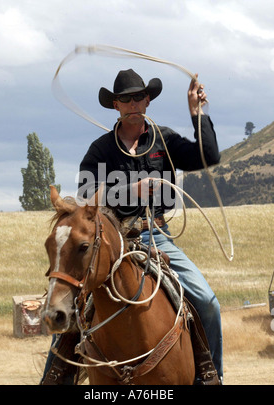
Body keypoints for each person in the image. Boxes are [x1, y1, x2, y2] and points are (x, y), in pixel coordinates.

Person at [42, 68, 222, 385]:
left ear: (148, 100)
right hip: (112, 240)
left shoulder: (164, 140)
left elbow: (206, 156)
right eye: (126, 99)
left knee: (206, 300)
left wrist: (198, 113)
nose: (133, 103)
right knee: (78, 300)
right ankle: (56, 376)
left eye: (139, 96)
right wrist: (130, 192)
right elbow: (86, 198)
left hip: (156, 235)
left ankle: (209, 373)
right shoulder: (100, 150)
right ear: (116, 106)